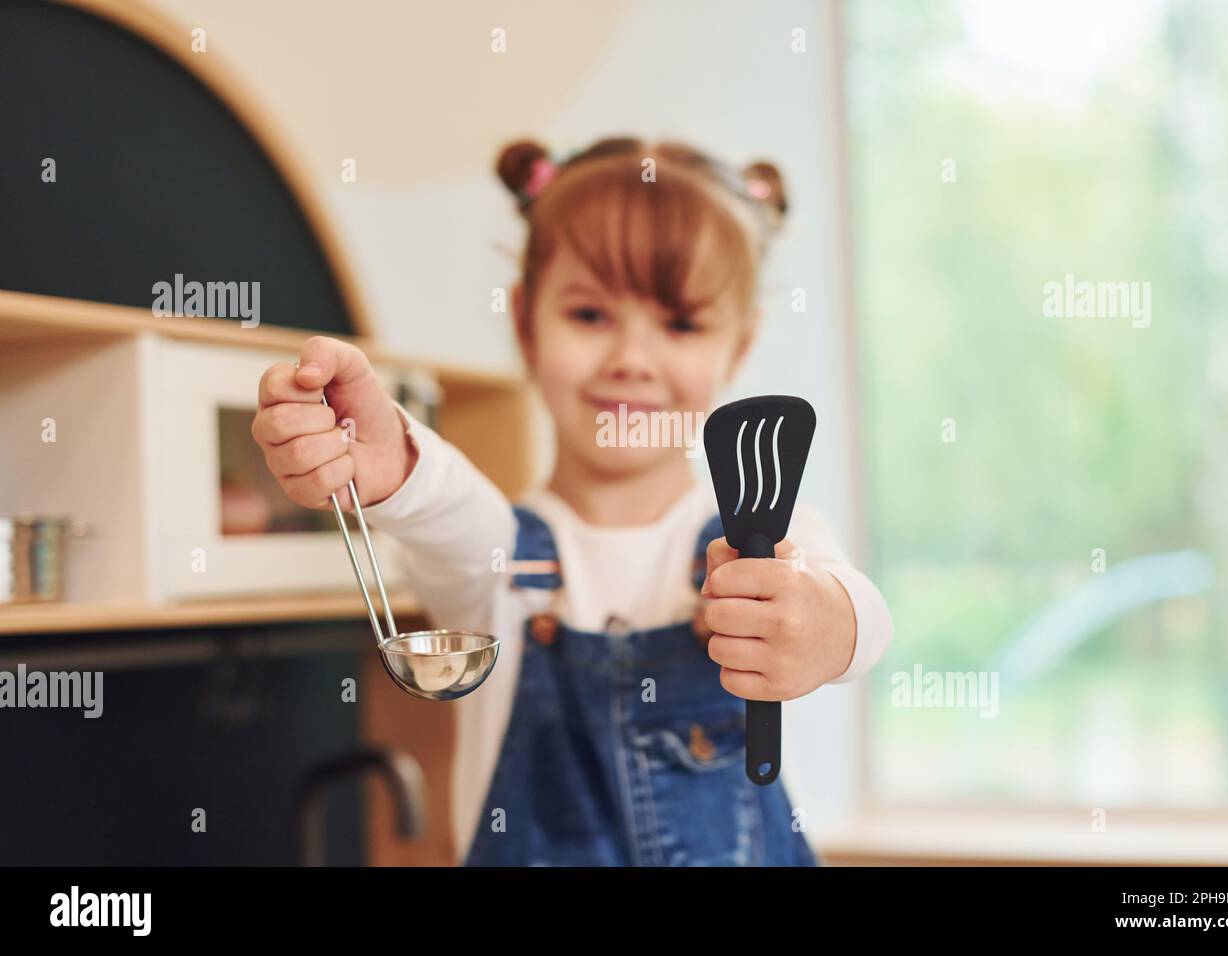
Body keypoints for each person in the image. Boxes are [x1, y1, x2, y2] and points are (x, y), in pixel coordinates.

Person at [251, 136, 893, 865]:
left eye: (680, 323)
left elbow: (861, 616)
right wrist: (395, 461)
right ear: (525, 323)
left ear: (738, 347)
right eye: (590, 315)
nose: (631, 358)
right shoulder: (497, 564)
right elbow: (449, 509)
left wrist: (822, 622)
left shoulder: (768, 539)